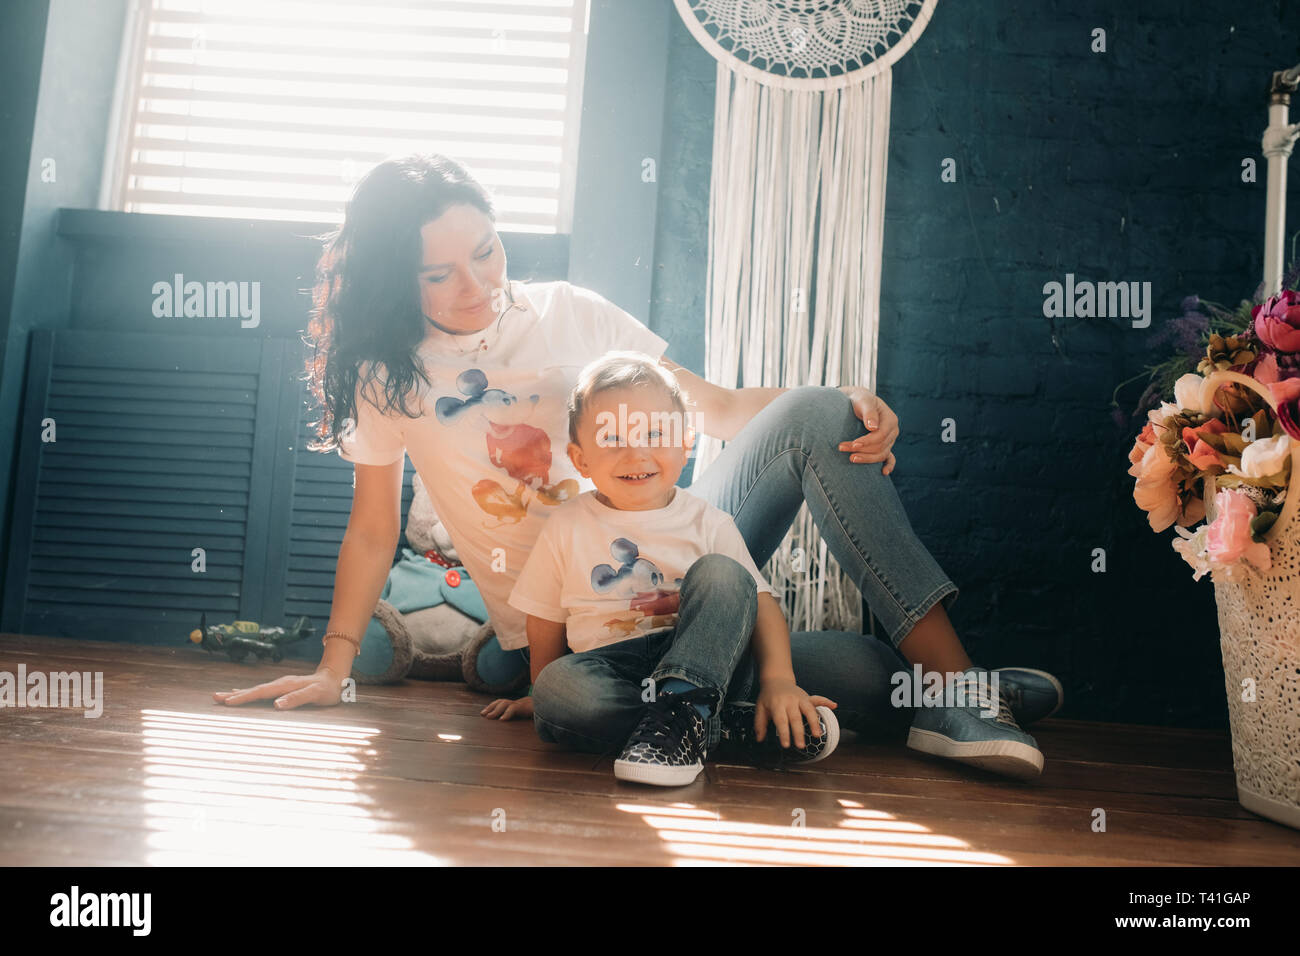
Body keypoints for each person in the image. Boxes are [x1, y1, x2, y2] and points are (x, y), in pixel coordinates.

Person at [213, 152, 1063, 780]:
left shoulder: (568, 314)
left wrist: (847, 400)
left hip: (688, 574)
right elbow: (373, 528)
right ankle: (840, 697)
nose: (476, 284)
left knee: (816, 413)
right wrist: (334, 665)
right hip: (576, 631)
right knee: (854, 674)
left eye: (488, 250)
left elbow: (721, 410)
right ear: (394, 279)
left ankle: (956, 690)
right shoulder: (385, 374)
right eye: (439, 272)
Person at [481, 352, 839, 785]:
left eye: (655, 433)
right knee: (562, 691)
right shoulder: (567, 525)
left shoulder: (709, 522)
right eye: (613, 439)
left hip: (709, 660)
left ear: (686, 443)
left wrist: (779, 680)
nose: (637, 453)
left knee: (724, 575)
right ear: (581, 459)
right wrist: (542, 693)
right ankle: (720, 728)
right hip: (614, 668)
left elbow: (758, 602)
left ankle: (686, 713)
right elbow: (544, 618)